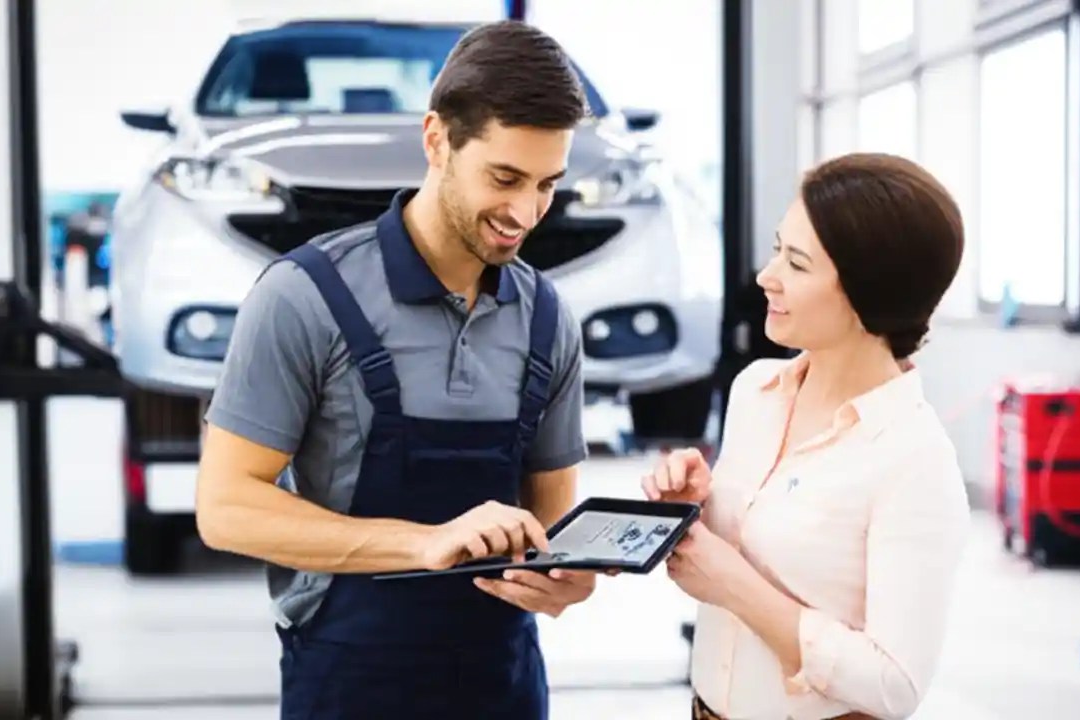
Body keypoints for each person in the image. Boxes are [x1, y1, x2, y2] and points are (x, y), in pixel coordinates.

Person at [194, 20, 601, 720]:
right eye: (504, 178)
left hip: (502, 686)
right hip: (350, 684)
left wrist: (569, 580)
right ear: (437, 139)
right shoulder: (305, 296)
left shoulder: (547, 317)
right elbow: (227, 507)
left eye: (546, 184)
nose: (526, 212)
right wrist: (422, 543)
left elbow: (552, 521)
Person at [644, 153, 971, 720]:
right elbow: (756, 543)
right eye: (777, 249)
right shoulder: (756, 392)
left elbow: (895, 686)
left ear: (869, 292)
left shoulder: (913, 459)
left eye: (796, 263)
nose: (766, 277)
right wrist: (696, 508)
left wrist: (733, 585)